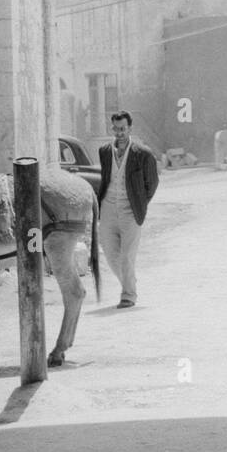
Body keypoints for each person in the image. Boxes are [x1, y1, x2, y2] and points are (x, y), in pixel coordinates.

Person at [98, 111, 159, 309]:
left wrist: (139, 202)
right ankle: (129, 283)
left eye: (123, 129)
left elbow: (152, 183)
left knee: (127, 255)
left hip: (130, 210)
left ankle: (128, 295)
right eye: (116, 129)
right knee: (109, 252)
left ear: (130, 128)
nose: (119, 133)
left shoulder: (143, 154)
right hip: (107, 207)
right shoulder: (105, 151)